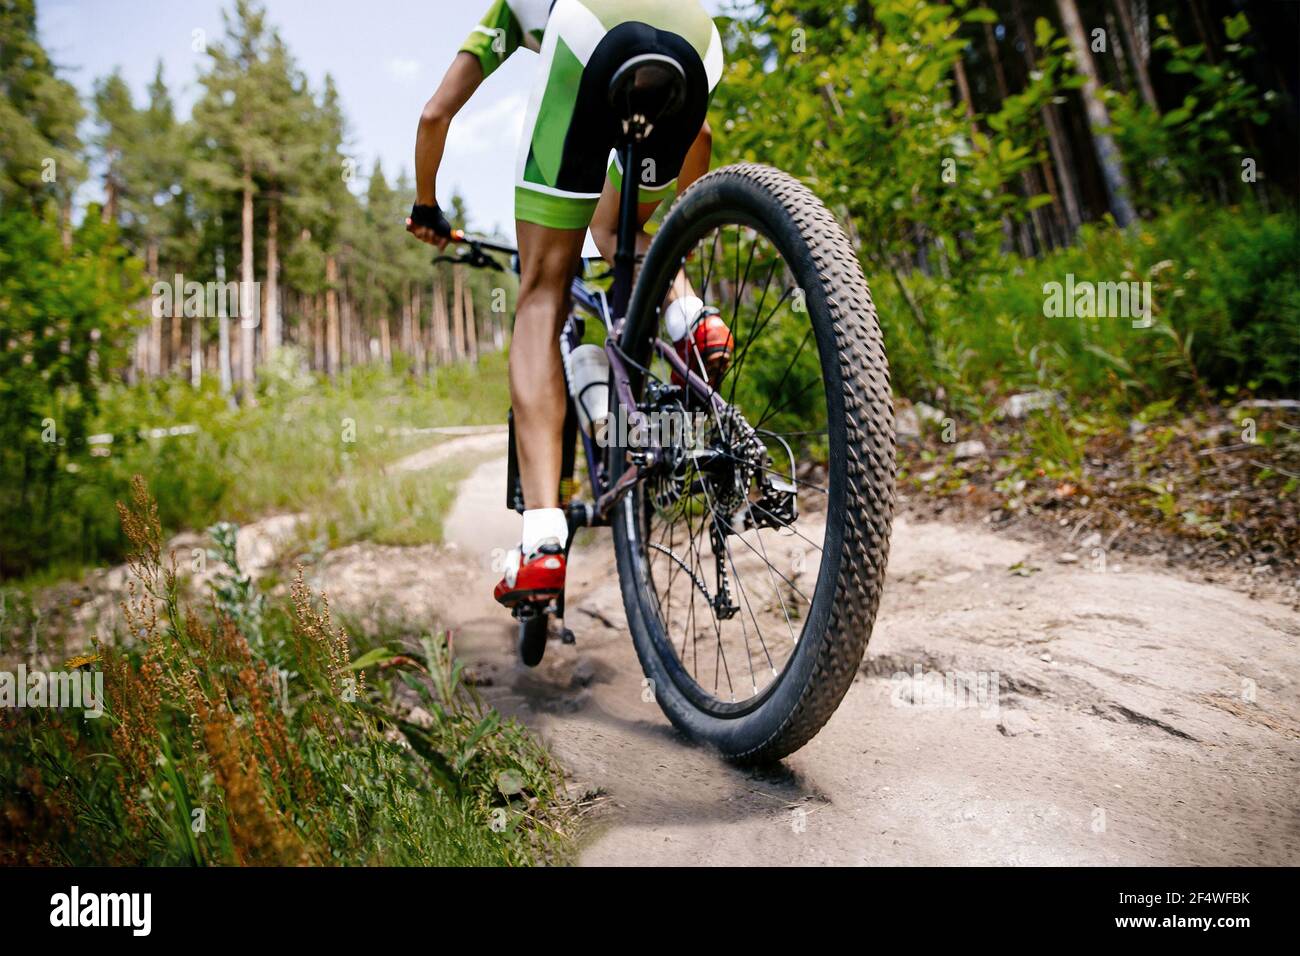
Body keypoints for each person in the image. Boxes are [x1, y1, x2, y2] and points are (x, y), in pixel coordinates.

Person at [407, 0, 726, 609]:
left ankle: (542, 543)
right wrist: (684, 232)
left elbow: (433, 115)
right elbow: (701, 139)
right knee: (616, 230)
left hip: (587, 35)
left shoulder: (511, 10)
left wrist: (427, 207)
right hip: (696, 35)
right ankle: (690, 314)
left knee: (542, 290)